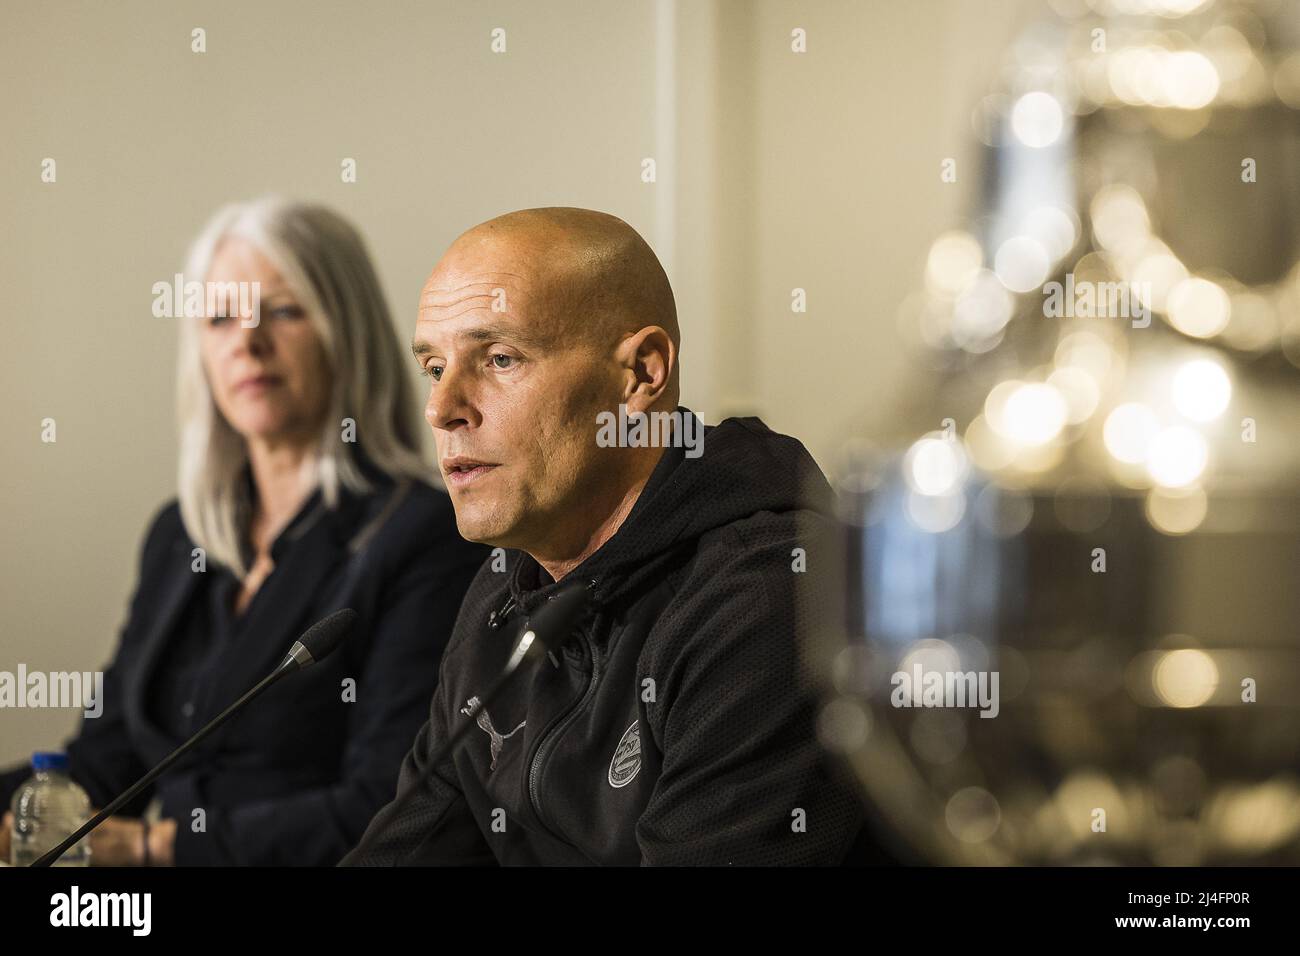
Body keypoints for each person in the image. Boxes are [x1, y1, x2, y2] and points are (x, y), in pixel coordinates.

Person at [342, 207, 868, 865]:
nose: (442, 408)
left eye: (500, 358)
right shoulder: (507, 587)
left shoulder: (767, 597)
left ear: (642, 374)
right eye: (433, 366)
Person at [0, 198, 488, 866]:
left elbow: (392, 803)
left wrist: (156, 848)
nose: (247, 342)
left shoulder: (424, 533)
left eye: (283, 311)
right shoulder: (181, 535)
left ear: (348, 330)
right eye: (220, 317)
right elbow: (103, 761)